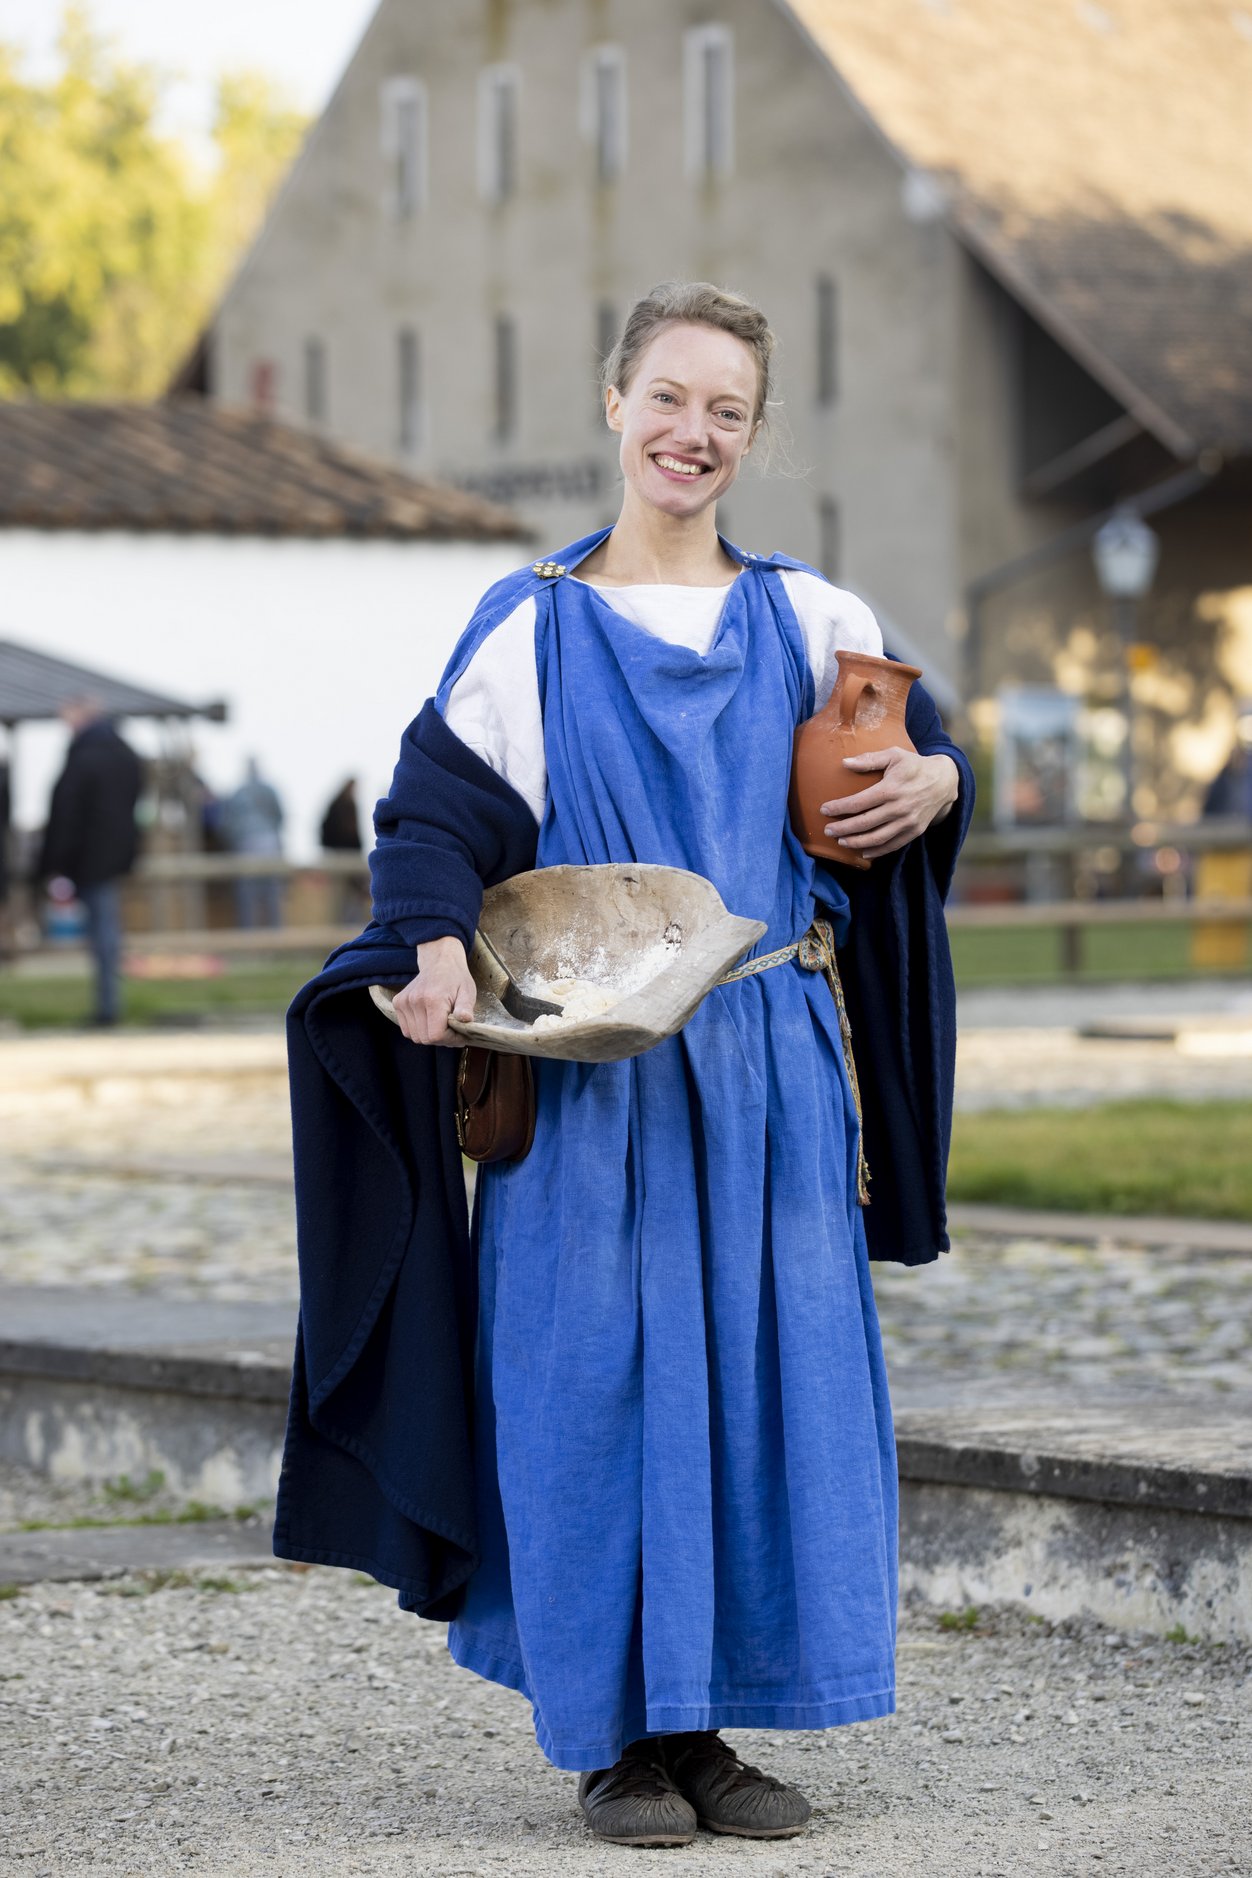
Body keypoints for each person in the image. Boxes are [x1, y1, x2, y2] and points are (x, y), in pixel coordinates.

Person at [276, 284, 973, 1848]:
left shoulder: (817, 621)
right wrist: (432, 942)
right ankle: (614, 1742)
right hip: (594, 1085)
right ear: (615, 405)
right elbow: (432, 820)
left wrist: (939, 780)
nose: (693, 433)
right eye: (670, 397)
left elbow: (901, 771)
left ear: (755, 431)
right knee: (595, 1384)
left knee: (756, 1386)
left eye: (726, 409)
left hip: (775, 1079)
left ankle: (712, 1731)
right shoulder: (529, 627)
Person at [36, 699, 143, 1026]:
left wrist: (55, 863)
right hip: (115, 855)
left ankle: (108, 1008)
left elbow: (68, 814)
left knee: (103, 936)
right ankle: (109, 1004)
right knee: (107, 933)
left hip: (87, 858)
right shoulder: (126, 755)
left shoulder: (83, 757)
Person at [222, 757, 285, 929]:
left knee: (248, 896)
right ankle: (275, 937)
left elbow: (228, 822)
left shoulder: (238, 792)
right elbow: (279, 817)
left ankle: (249, 938)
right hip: (269, 843)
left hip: (246, 845)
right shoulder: (269, 789)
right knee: (270, 895)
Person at [319, 778, 366, 923]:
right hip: (339, 856)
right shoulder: (338, 805)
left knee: (353, 893)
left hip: (350, 857)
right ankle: (341, 924)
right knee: (341, 894)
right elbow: (327, 830)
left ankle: (350, 923)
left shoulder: (350, 805)